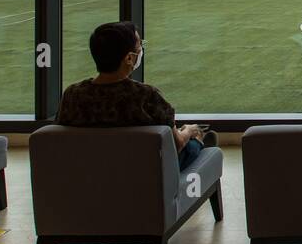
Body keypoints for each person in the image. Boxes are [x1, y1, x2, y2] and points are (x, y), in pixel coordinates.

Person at [56, 21, 213, 170]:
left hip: (88, 173)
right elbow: (176, 145)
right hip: (142, 174)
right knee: (196, 141)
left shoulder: (72, 95)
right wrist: (190, 131)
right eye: (139, 46)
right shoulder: (147, 96)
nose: (141, 49)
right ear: (129, 58)